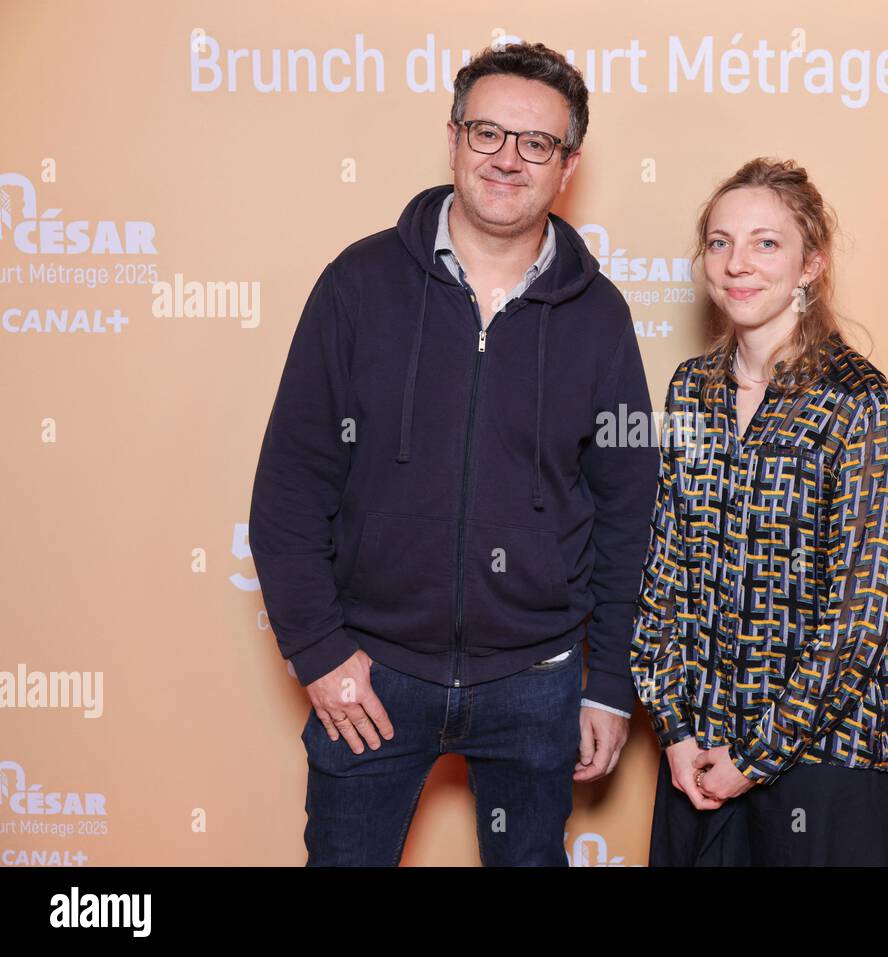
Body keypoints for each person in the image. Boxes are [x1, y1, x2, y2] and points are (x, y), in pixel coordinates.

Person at [249, 41, 658, 866]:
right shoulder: (357, 285)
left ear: (567, 164)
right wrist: (321, 652)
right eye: (487, 133)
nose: (508, 159)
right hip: (373, 673)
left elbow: (629, 510)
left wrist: (610, 680)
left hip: (538, 681)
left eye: (536, 143)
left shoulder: (600, 315)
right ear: (453, 137)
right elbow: (290, 486)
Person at [630, 157, 888, 866]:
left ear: (811, 262)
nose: (736, 263)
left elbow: (860, 616)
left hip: (824, 763)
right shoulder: (692, 389)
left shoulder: (859, 400)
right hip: (699, 759)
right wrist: (675, 729)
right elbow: (664, 574)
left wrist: (756, 756)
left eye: (765, 242)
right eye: (720, 242)